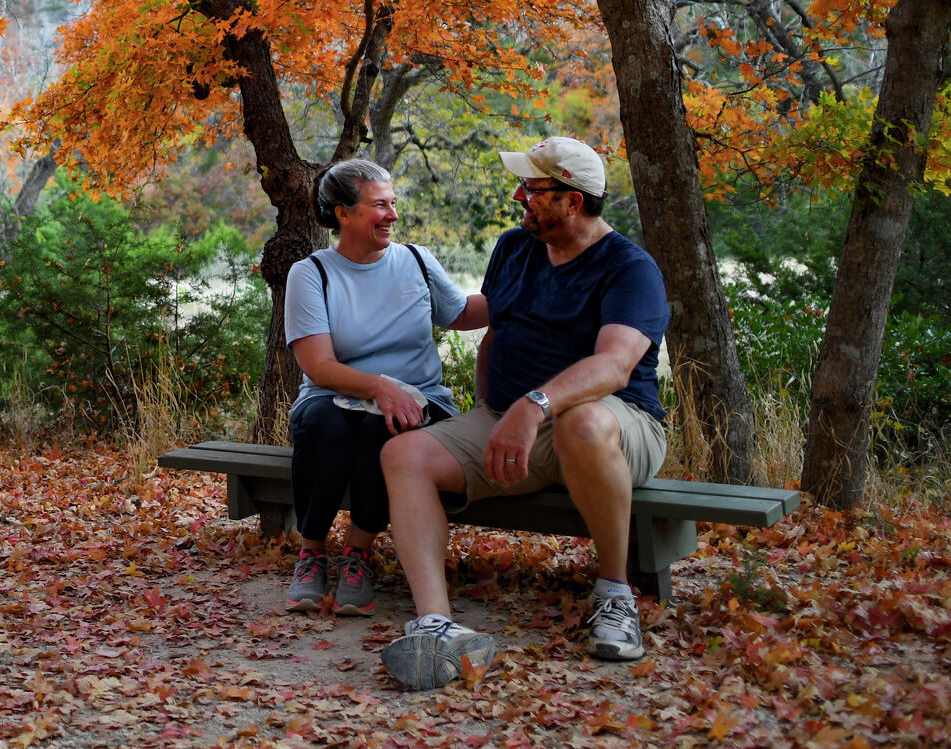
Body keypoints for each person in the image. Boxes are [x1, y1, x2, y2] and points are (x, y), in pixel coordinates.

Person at [377, 136, 670, 691]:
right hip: (513, 417)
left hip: (617, 423)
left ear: (573, 200)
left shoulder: (630, 268)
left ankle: (613, 594)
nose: (518, 197)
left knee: (582, 421)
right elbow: (496, 327)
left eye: (532, 189)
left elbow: (614, 366)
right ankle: (436, 624)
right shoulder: (515, 248)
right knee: (404, 453)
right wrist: (493, 406)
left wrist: (532, 406)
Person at [281, 158, 489, 617]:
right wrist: (379, 386)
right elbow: (318, 365)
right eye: (380, 205)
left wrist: (518, 291)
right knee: (325, 424)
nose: (393, 214)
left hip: (419, 398)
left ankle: (358, 554)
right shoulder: (311, 274)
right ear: (343, 213)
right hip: (332, 397)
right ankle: (312, 552)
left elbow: (460, 315)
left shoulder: (415, 260)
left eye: (393, 203)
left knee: (389, 425)